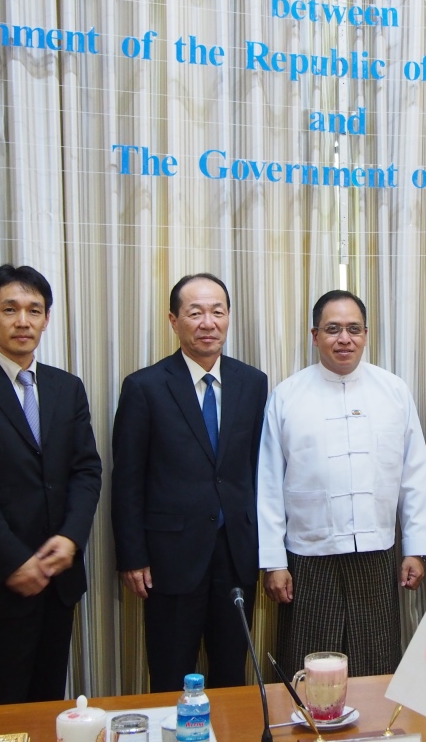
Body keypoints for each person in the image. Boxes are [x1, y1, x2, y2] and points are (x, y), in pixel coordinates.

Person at [0, 264, 102, 706]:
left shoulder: (67, 388)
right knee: (0, 709)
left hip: (58, 579)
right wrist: (15, 561)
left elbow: (87, 470)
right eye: (10, 309)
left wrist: (70, 537)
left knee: (47, 702)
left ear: (47, 318)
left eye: (34, 310)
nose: (23, 321)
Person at [258, 290, 426, 677]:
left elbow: (415, 477)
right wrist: (273, 561)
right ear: (314, 335)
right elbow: (268, 484)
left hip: (376, 552)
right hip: (308, 556)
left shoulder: (393, 391)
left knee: (375, 664)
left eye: (354, 329)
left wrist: (417, 549)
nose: (344, 338)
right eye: (333, 329)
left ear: (366, 334)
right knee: (308, 666)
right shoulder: (287, 395)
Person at [111, 273, 268, 692]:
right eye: (195, 312)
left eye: (217, 312)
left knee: (232, 674)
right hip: (169, 557)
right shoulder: (144, 387)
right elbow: (127, 478)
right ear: (173, 320)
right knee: (170, 672)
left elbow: (261, 470)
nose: (208, 322)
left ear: (229, 317)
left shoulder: (253, 383)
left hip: (236, 553)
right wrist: (131, 555)